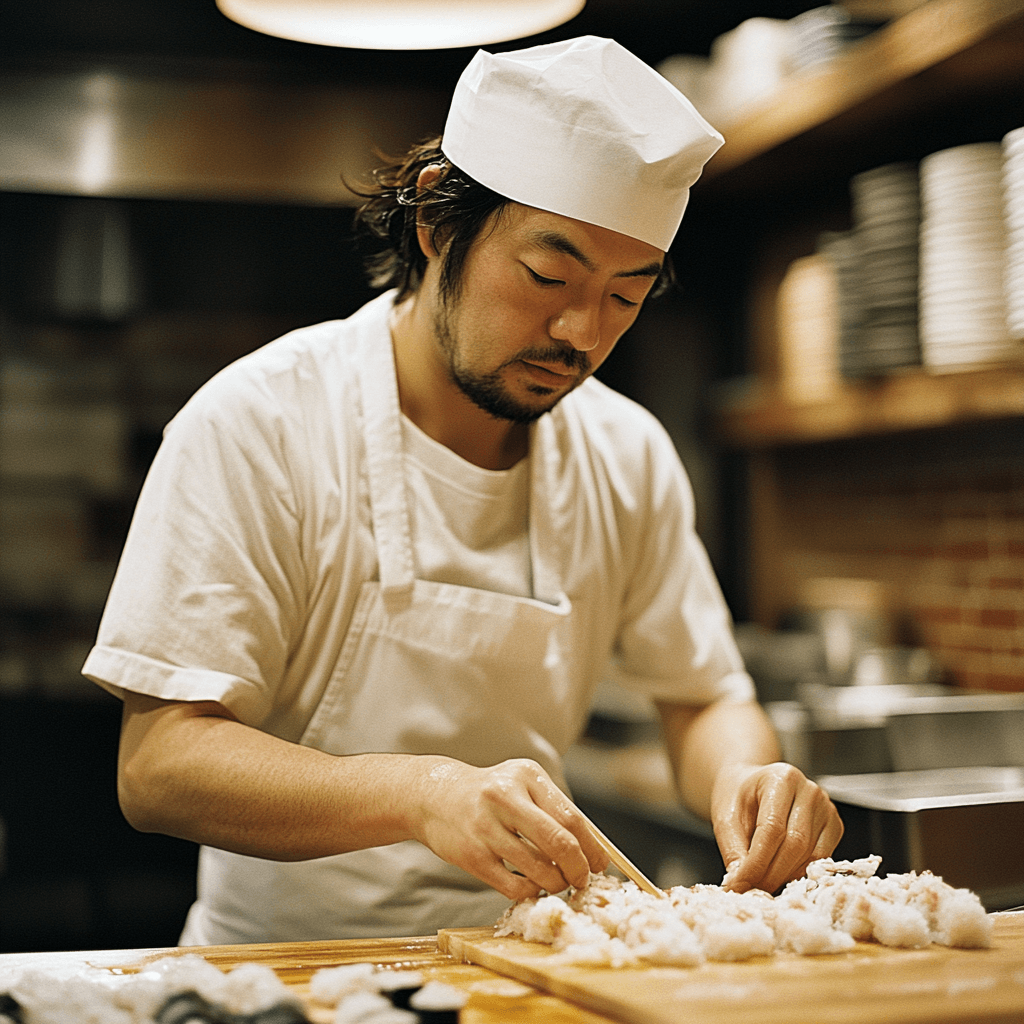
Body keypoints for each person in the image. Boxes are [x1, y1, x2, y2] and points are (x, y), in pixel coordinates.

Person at [83, 35, 843, 946]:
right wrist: (422, 792)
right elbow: (159, 764)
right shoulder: (262, 424)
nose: (579, 331)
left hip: (536, 968)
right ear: (438, 229)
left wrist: (748, 782)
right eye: (547, 276)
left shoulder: (625, 453)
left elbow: (704, 697)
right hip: (283, 977)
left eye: (625, 297)